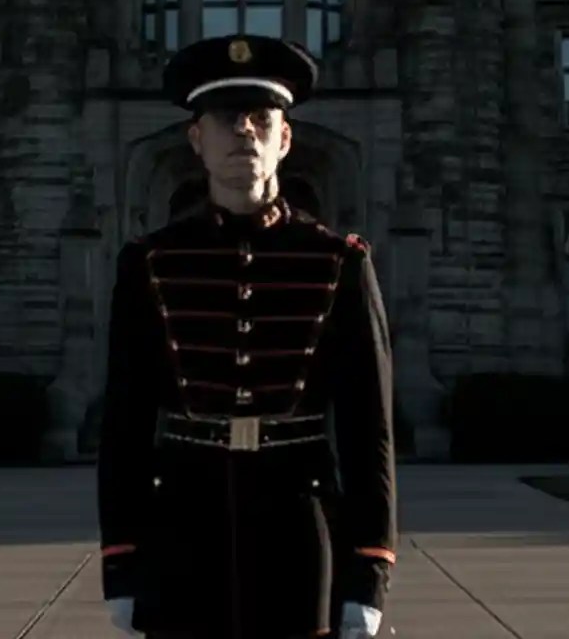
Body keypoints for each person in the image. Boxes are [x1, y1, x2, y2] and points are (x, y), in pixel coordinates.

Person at [97, 34, 397, 639]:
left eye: (262, 119)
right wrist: (121, 565)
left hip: (298, 522)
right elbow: (124, 423)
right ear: (196, 140)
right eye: (226, 119)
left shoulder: (338, 261)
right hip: (181, 522)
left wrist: (369, 571)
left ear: (284, 139)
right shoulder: (150, 262)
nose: (244, 132)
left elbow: (370, 428)